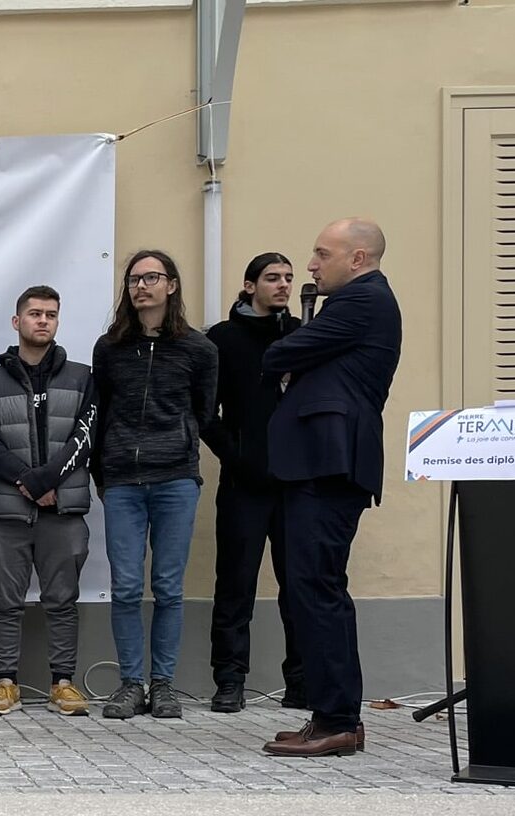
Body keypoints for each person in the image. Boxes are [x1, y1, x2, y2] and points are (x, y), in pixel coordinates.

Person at [262, 218, 400, 758]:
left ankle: (340, 720)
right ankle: (327, 715)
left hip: (330, 466)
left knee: (318, 590)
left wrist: (294, 357)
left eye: (322, 254)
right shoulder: (353, 304)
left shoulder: (364, 301)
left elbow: (278, 355)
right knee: (310, 588)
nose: (312, 266)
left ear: (358, 258)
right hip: (316, 466)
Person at [92, 250, 218, 721]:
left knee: (168, 586)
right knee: (125, 587)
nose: (141, 286)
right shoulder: (109, 348)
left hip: (175, 480)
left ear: (172, 285)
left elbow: (204, 413)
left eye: (151, 278)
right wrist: (103, 476)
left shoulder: (199, 349)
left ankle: (163, 684)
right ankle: (131, 683)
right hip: (122, 480)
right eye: (133, 279)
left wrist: (179, 451)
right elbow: (100, 414)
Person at [0, 285, 97, 717]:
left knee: (62, 600)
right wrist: (27, 480)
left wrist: (47, 480)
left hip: (63, 510)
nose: (43, 320)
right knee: (5, 600)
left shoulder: (82, 378)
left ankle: (63, 683)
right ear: (16, 322)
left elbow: (85, 438)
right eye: (34, 313)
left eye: (51, 314)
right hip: (7, 510)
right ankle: (5, 682)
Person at [203, 253, 305, 713]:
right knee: (235, 585)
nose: (282, 285)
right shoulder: (223, 340)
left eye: (288, 278)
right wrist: (238, 456)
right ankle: (229, 680)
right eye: (272, 278)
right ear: (249, 286)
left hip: (296, 483)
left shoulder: (304, 333)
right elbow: (206, 413)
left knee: (300, 585)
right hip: (244, 482)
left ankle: (302, 682)